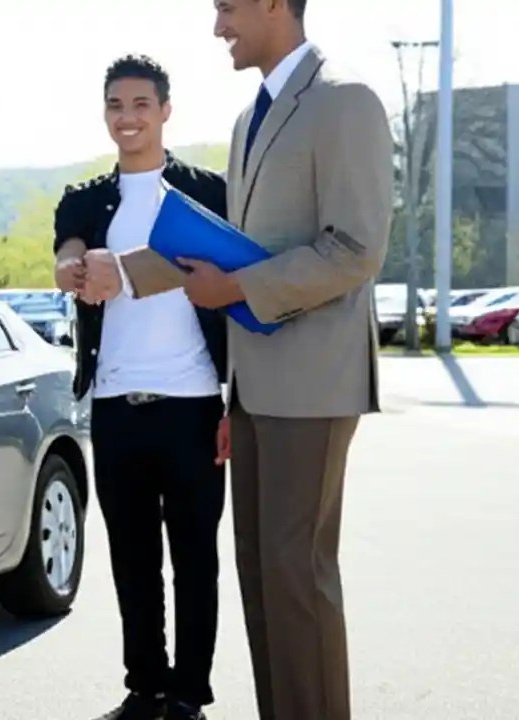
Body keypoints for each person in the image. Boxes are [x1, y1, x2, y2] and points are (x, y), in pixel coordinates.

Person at [80, 2, 394, 719]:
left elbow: (357, 248)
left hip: (313, 382)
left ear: (275, 5)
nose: (218, 26)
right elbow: (230, 245)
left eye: (226, 7)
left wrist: (240, 288)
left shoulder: (344, 101)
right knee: (259, 572)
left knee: (296, 574)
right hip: (253, 383)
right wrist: (135, 277)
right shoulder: (251, 117)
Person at [52, 54, 230, 720]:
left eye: (140, 105)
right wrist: (72, 266)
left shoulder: (205, 192)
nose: (128, 119)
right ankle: (145, 687)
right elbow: (68, 249)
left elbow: (232, 289)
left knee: (194, 559)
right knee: (132, 559)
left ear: (165, 111)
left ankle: (189, 695)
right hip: (115, 407)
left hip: (191, 403)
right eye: (116, 106)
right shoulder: (85, 199)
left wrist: (232, 402)